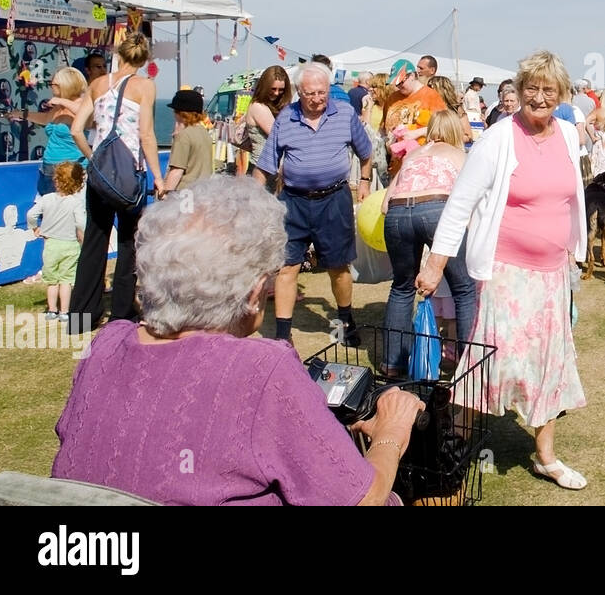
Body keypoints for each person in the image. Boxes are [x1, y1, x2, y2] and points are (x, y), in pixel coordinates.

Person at [51, 177, 422, 505]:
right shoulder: (261, 368)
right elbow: (361, 499)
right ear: (256, 293)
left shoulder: (106, 343)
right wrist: (392, 431)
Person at [419, 50, 589, 490]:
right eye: (531, 87)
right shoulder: (499, 137)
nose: (539, 96)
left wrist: (575, 249)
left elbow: (572, 198)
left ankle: (545, 456)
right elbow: (460, 203)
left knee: (549, 364)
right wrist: (436, 263)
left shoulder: (569, 134)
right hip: (505, 274)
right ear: (519, 89)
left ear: (561, 94)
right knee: (488, 363)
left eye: (548, 89)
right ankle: (452, 448)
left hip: (552, 275)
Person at [252, 62, 374, 344]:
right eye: (310, 94)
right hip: (293, 202)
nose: (317, 99)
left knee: (338, 266)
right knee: (286, 267)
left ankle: (345, 321)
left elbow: (365, 153)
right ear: (299, 91)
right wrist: (251, 199)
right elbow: (267, 165)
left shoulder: (344, 113)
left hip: (334, 200)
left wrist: (365, 181)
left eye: (322, 92)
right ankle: (283, 335)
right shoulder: (285, 118)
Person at [67, 31, 165, 334]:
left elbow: (76, 130)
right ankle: (121, 314)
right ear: (143, 60)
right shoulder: (144, 86)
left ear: (118, 54)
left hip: (100, 175)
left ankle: (81, 317)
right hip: (128, 175)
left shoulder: (97, 84)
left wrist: (93, 158)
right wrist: (158, 177)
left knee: (93, 244)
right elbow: (146, 134)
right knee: (128, 245)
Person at [381, 110, 474, 375]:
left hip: (398, 213)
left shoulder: (412, 155)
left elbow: (386, 204)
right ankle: (467, 366)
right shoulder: (460, 156)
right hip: (437, 209)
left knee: (401, 288)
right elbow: (468, 198)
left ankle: (392, 363)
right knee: (464, 289)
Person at [8, 66, 87, 196]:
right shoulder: (59, 107)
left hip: (71, 171)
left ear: (65, 84)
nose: (50, 87)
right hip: (49, 169)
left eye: (53, 84)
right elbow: (45, 119)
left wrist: (62, 100)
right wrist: (21, 114)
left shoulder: (81, 104)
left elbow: (84, 115)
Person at [26, 161, 86, 321]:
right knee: (66, 280)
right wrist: (84, 235)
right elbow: (81, 223)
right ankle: (64, 312)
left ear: (56, 180)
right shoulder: (76, 203)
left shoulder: (46, 199)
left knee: (52, 280)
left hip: (50, 244)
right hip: (70, 244)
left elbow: (31, 215)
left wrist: (34, 228)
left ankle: (52, 310)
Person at [383, 58, 448, 176]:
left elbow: (444, 127)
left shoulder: (431, 96)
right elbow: (384, 128)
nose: (399, 86)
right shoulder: (392, 99)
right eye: (396, 83)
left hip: (421, 167)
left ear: (412, 76)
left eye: (401, 82)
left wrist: (417, 133)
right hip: (395, 167)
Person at [241, 66, 292, 191]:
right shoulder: (258, 107)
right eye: (273, 89)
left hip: (270, 168)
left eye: (281, 90)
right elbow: (280, 136)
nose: (276, 93)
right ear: (264, 87)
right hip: (262, 169)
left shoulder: (271, 107)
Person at [163, 89, 214, 191]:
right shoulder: (204, 133)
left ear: (180, 113)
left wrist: (164, 194)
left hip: (184, 196)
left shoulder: (183, 136)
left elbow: (177, 170)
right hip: (204, 192)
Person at [430, 75, 476, 144]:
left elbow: (468, 136)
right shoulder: (424, 107)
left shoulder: (456, 109)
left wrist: (446, 138)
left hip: (449, 149)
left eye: (431, 88)